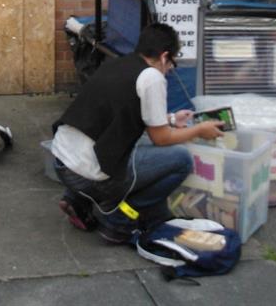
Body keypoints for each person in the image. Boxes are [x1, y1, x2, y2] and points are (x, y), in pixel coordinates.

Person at [50, 22, 224, 243]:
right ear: (164, 56)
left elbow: (125, 116)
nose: (171, 68)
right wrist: (200, 130)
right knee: (181, 159)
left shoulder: (118, 64)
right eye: (173, 62)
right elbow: (161, 138)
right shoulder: (152, 78)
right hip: (88, 176)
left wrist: (171, 119)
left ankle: (77, 200)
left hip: (62, 163)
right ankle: (120, 220)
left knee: (138, 140)